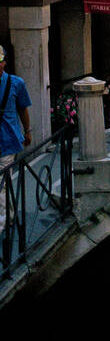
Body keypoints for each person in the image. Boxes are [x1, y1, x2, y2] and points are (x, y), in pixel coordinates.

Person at [0, 45, 32, 238]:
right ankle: (9, 214)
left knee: (2, 181)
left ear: (4, 62)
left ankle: (2, 223)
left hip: (8, 138)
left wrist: (28, 131)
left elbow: (23, 109)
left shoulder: (16, 83)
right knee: (4, 182)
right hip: (8, 137)